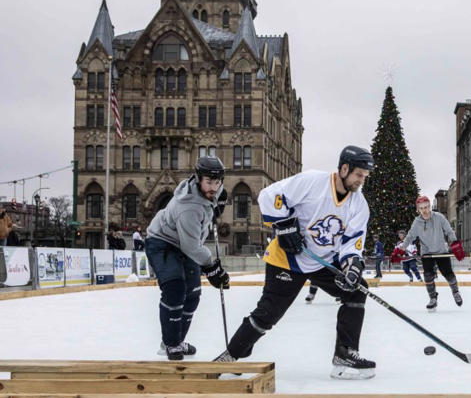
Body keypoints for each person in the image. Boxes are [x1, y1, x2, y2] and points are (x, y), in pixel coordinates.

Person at [214, 146, 376, 380]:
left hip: (322, 261)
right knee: (267, 314)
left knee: (357, 291)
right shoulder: (312, 182)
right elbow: (269, 196)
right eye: (359, 174)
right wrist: (285, 225)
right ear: (344, 168)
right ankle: (231, 355)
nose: (362, 180)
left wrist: (352, 266)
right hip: (287, 260)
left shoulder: (359, 205)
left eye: (365, 176)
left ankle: (345, 355)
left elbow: (352, 241)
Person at [145, 157, 230, 360]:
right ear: (198, 179)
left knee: (193, 294)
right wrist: (212, 268)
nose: (214, 187)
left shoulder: (215, 192)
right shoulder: (189, 207)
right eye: (209, 182)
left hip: (185, 245)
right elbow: (191, 246)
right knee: (175, 289)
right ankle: (170, 344)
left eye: (217, 182)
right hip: (162, 242)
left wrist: (216, 205)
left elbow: (191, 244)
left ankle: (178, 340)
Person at [393, 195, 465, 312]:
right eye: (421, 208)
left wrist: (455, 244)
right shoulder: (417, 222)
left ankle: (455, 292)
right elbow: (410, 237)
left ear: (429, 206)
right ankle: (433, 298)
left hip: (441, 251)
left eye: (426, 207)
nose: (424, 210)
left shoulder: (439, 217)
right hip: (427, 253)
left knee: (448, 274)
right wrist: (400, 250)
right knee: (428, 276)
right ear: (418, 209)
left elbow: (449, 230)